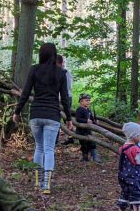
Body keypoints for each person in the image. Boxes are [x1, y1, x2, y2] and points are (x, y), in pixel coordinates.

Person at [12, 43, 74, 195]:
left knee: (39, 147)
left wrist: (17, 111)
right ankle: (46, 184)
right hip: (52, 115)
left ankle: (37, 182)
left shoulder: (34, 69)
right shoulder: (61, 73)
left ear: (41, 54)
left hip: (36, 114)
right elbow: (65, 98)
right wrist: (69, 118)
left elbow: (25, 92)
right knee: (48, 149)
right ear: (54, 55)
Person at [117, 122, 140, 211]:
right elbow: (139, 160)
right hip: (133, 175)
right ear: (133, 136)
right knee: (135, 191)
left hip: (122, 175)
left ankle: (120, 209)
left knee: (125, 191)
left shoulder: (123, 147)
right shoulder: (135, 148)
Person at [56, 55, 76, 145]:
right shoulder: (58, 71)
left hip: (65, 97)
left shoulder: (66, 72)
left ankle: (70, 137)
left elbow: (68, 87)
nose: (63, 64)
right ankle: (55, 138)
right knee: (57, 118)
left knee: (66, 118)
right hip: (60, 97)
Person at [74, 93, 100, 162]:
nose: (88, 102)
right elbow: (78, 119)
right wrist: (86, 120)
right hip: (81, 131)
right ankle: (85, 158)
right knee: (84, 145)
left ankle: (95, 157)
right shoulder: (79, 109)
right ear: (81, 101)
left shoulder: (88, 110)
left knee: (92, 143)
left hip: (88, 130)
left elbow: (91, 120)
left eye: (89, 100)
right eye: (86, 100)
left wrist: (95, 122)